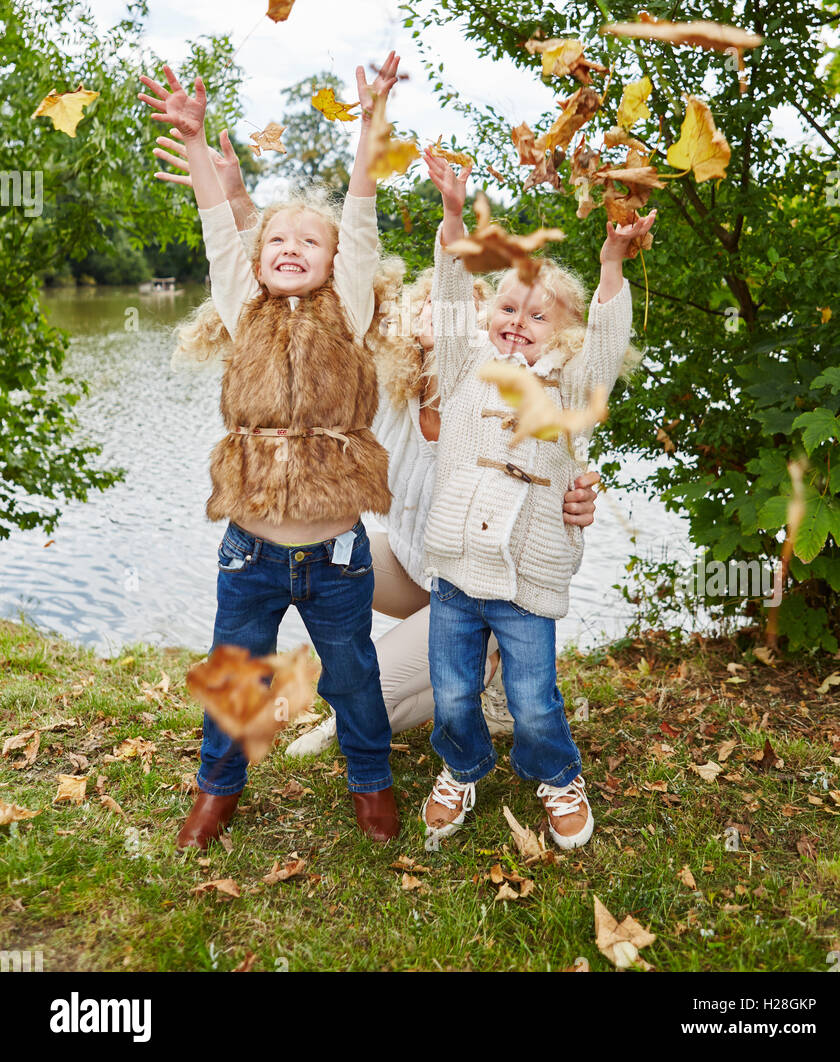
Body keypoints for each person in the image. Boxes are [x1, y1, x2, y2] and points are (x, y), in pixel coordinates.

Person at [153, 138, 602, 756]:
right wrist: (233, 194)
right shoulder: (380, 389)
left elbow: (552, 471)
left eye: (462, 313)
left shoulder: (499, 402)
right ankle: (453, 675)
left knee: (372, 691)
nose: (435, 321)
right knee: (337, 594)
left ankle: (482, 666)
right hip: (419, 564)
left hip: (481, 582)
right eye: (424, 308)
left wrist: (576, 499)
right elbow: (290, 264)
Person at [139, 52, 404, 848]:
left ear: (331, 263)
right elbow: (219, 227)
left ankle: (371, 782)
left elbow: (361, 212)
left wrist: (372, 124)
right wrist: (193, 142)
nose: (291, 247)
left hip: (337, 553)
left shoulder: (350, 308)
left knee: (354, 677)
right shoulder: (241, 302)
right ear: (257, 261)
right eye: (277, 239)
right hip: (249, 549)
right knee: (238, 678)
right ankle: (217, 790)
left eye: (309, 242)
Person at [419, 146, 654, 851]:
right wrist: (454, 214)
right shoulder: (465, 366)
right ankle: (461, 766)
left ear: (565, 333)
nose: (520, 321)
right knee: (454, 692)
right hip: (458, 567)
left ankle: (557, 774)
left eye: (540, 316)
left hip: (528, 575)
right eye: (510, 306)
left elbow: (611, 341)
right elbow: (448, 292)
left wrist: (612, 261)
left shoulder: (572, 384)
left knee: (532, 698)